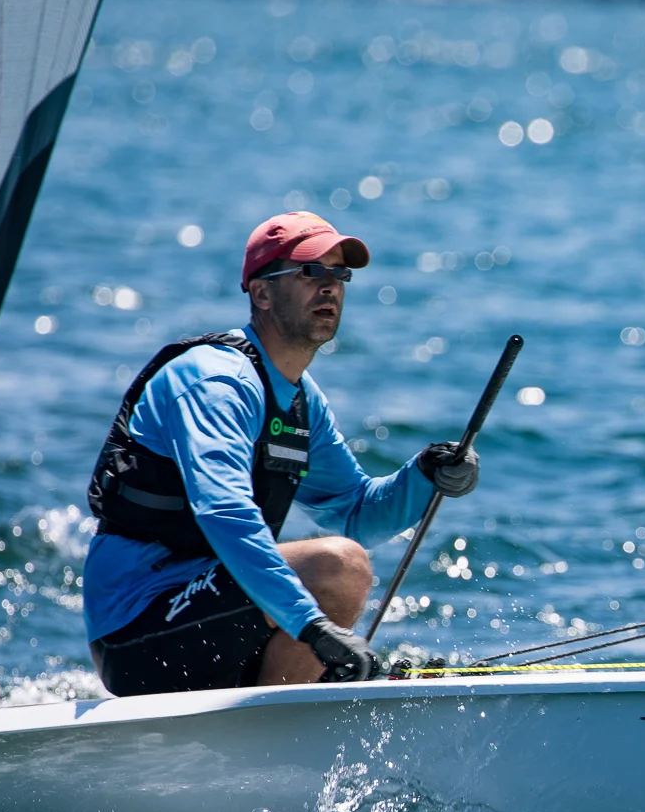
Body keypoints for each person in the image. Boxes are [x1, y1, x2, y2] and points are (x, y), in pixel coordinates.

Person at [82, 211, 478, 695]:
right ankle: (275, 735)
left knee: (343, 559)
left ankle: (276, 719)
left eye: (339, 274)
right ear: (261, 292)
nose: (330, 286)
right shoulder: (215, 382)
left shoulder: (298, 398)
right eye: (311, 271)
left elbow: (355, 513)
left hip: (211, 611)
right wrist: (312, 628)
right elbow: (224, 512)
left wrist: (426, 475)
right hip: (139, 635)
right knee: (338, 568)